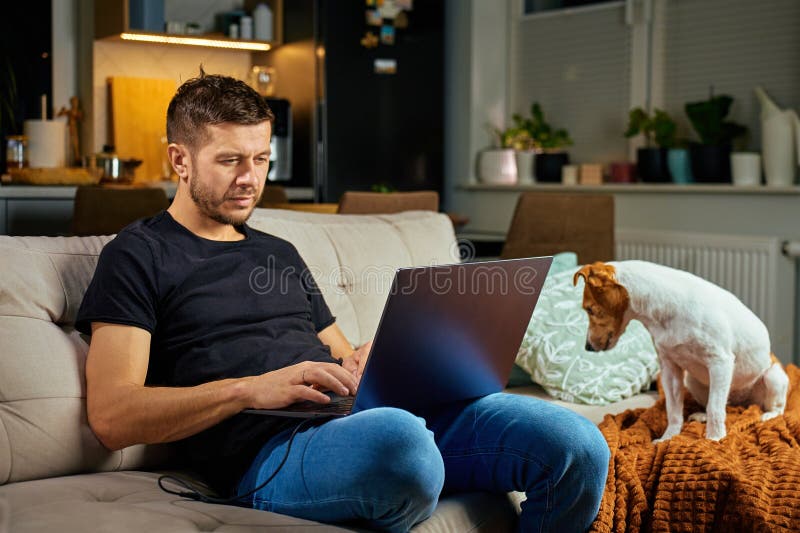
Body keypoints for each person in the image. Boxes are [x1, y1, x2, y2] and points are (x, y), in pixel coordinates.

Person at [76, 70, 610, 532]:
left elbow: (340, 355)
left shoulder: (278, 252)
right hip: (273, 452)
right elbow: (112, 415)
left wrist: (375, 358)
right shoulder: (138, 254)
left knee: (575, 444)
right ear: (180, 160)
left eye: (261, 158)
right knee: (404, 444)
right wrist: (251, 390)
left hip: (362, 420)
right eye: (231, 160)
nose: (250, 179)